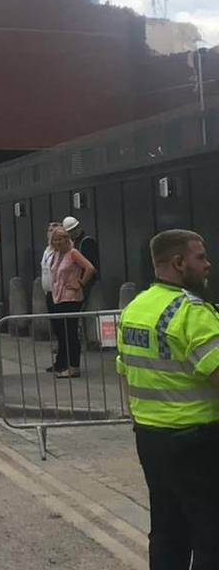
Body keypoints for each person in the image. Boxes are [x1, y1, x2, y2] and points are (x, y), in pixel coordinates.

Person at [116, 229, 219, 569]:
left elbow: (125, 372)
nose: (207, 265)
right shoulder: (193, 313)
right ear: (178, 262)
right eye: (200, 257)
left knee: (167, 531)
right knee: (210, 535)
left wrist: (140, 418)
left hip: (150, 437)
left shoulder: (135, 308)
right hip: (197, 441)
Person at [48, 226, 96, 378]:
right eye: (55, 240)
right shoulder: (56, 254)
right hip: (57, 296)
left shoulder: (73, 253)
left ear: (66, 239)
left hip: (71, 297)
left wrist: (80, 283)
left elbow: (90, 268)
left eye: (60, 239)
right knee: (61, 332)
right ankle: (63, 363)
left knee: (70, 332)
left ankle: (74, 366)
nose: (57, 243)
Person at [41, 223, 64, 372]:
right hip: (48, 292)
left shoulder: (62, 251)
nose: (51, 234)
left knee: (62, 329)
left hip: (59, 293)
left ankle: (65, 361)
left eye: (54, 231)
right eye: (49, 231)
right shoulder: (47, 251)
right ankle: (59, 360)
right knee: (56, 328)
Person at [62, 216, 99, 293]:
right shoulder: (75, 242)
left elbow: (91, 266)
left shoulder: (86, 242)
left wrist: (82, 283)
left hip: (88, 282)